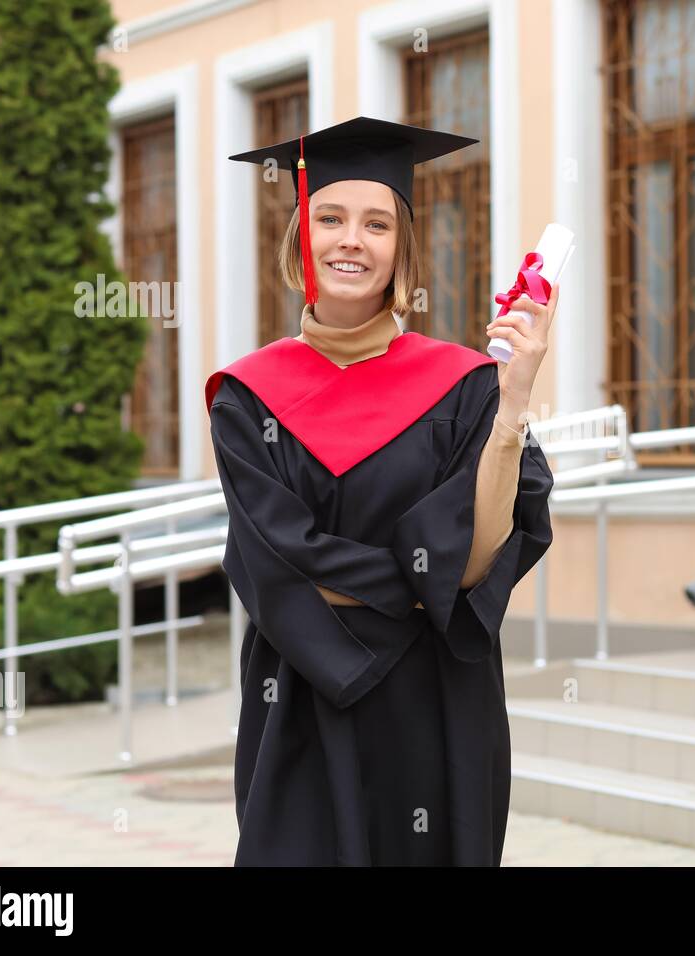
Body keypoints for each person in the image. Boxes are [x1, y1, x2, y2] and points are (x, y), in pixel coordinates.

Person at [205, 116, 556, 865]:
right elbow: (277, 564)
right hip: (302, 695)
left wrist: (513, 404)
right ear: (301, 237)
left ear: (403, 248)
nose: (351, 241)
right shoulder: (247, 398)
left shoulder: (465, 388)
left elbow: (477, 557)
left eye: (376, 223)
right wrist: (421, 582)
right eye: (330, 218)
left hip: (435, 706)